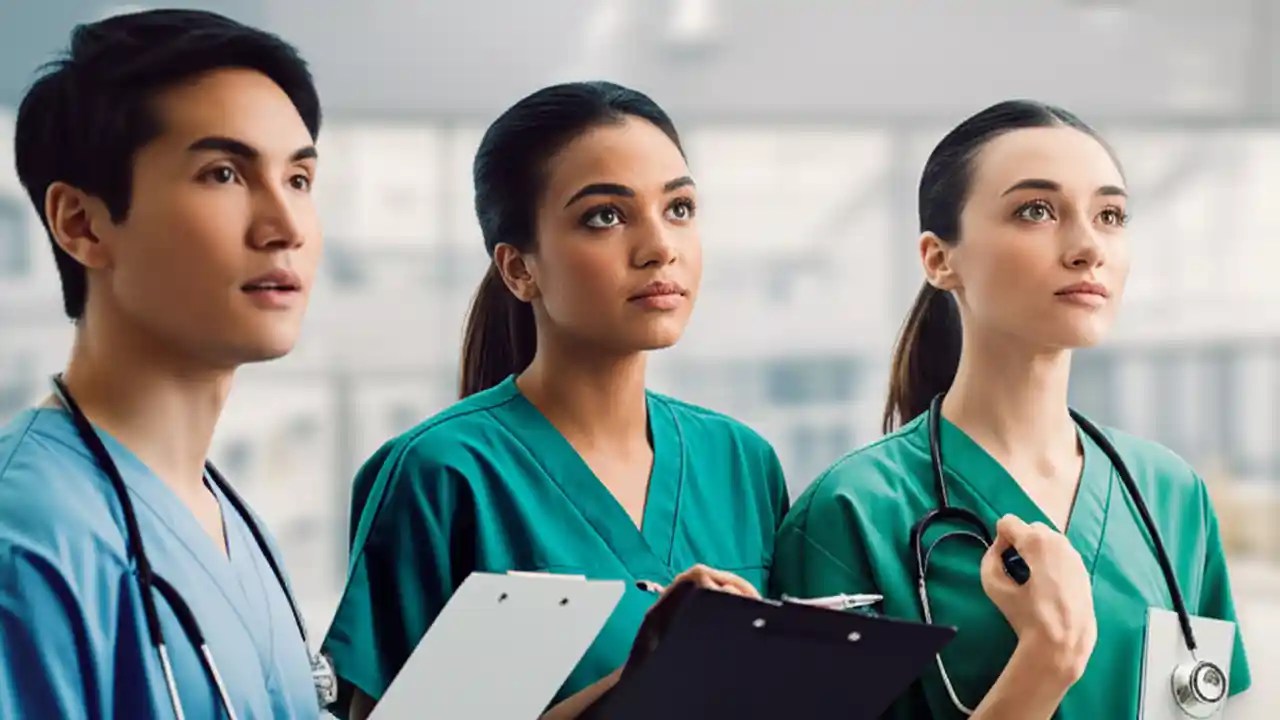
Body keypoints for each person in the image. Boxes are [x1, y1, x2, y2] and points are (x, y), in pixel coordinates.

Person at [320, 81, 790, 720]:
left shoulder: (740, 462)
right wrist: (641, 680)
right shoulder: (442, 474)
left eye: (679, 208)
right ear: (520, 269)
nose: (660, 247)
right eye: (605, 216)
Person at [769, 100, 1252, 718]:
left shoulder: (1170, 494)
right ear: (939, 259)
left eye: (1109, 215)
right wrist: (1048, 658)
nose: (1088, 247)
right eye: (1036, 211)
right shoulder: (851, 513)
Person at [0, 9, 325, 718]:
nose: (286, 227)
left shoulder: (232, 523)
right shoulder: (25, 538)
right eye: (223, 174)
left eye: (299, 179)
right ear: (82, 224)